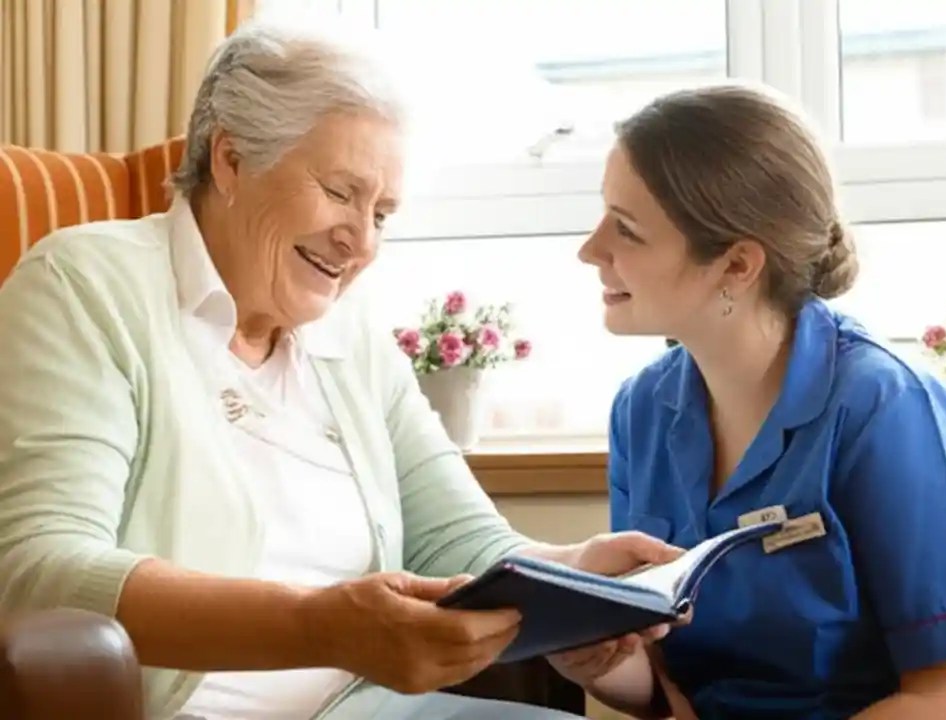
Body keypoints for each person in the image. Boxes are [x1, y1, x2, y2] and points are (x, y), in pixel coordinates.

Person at [0, 22, 681, 720]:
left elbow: (460, 540)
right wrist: (319, 626)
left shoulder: (349, 332)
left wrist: (575, 575)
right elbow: (41, 572)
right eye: (339, 192)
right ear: (231, 159)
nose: (360, 242)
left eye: (381, 212)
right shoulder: (86, 285)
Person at [560, 84, 946, 719]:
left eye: (627, 230)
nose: (590, 249)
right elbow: (670, 689)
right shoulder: (640, 412)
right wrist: (592, 657)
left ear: (737, 265)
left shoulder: (890, 410)